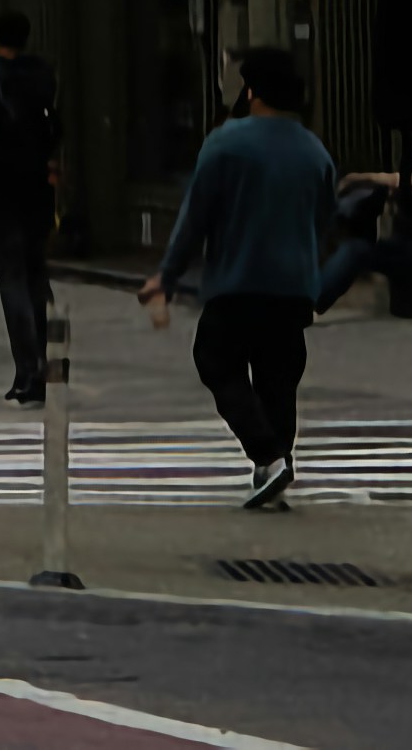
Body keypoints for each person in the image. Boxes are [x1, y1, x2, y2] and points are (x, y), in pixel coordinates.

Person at [143, 39, 341, 507]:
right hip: (293, 287)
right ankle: (273, 466)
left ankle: (268, 457)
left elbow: (196, 219)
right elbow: (325, 222)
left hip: (238, 282)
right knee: (279, 376)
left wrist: (166, 278)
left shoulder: (225, 143)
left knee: (216, 359)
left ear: (251, 91)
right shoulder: (316, 154)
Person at [0, 8, 65, 408]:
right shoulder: (42, 77)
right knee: (34, 273)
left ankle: (30, 368)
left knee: (12, 280)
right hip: (37, 190)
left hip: (3, 194)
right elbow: (55, 128)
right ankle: (42, 359)